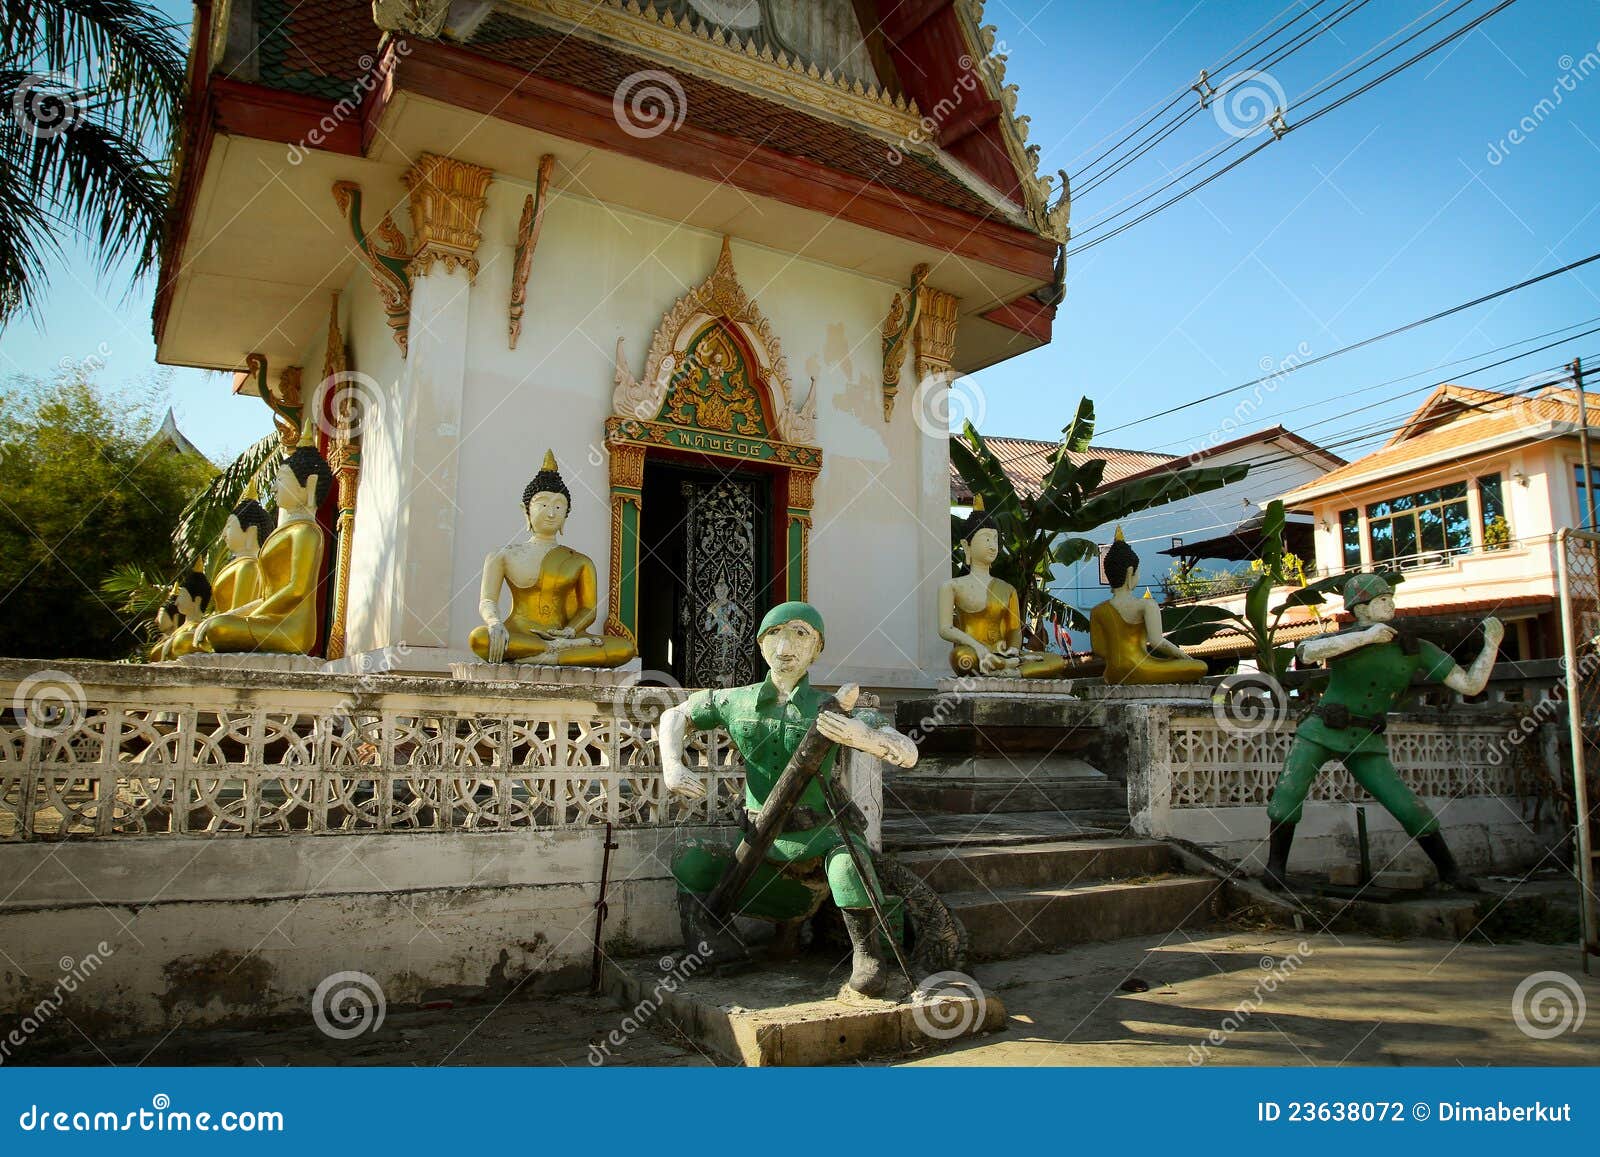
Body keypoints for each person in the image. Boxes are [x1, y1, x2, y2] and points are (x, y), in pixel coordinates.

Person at [659, 601, 918, 996]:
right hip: (758, 847)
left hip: (823, 842)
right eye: (776, 634)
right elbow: (675, 715)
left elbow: (907, 751)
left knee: (849, 867)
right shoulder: (735, 701)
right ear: (761, 644)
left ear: (817, 649)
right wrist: (673, 765)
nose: (786, 647)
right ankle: (714, 946)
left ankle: (868, 955)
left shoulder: (829, 706)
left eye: (801, 635)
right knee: (690, 860)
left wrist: (866, 737)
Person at [1263, 573, 1503, 892]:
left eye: (1390, 598)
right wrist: (1367, 637)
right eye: (1380, 600)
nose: (1389, 604)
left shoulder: (1414, 647)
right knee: (1287, 796)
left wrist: (1491, 645)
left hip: (1366, 738)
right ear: (1360, 610)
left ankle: (1450, 871)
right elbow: (1306, 652)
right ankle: (1275, 867)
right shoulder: (1347, 639)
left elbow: (1469, 685)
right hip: (1321, 729)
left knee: (1406, 806)